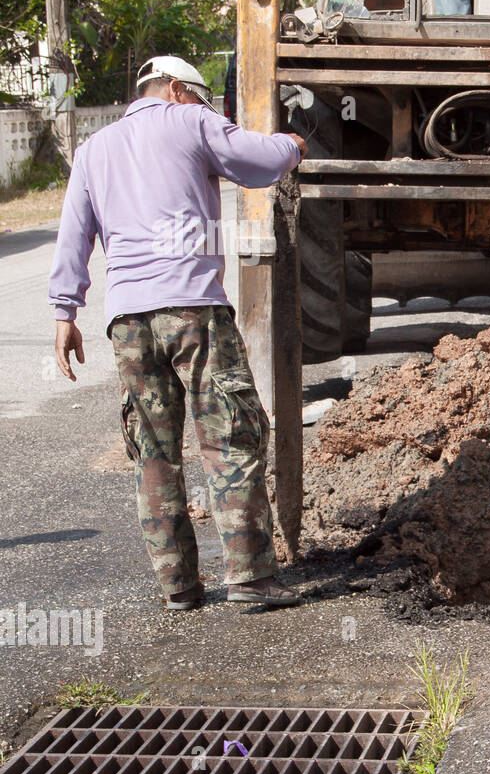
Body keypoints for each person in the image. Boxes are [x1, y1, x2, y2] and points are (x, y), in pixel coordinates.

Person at [48, 55, 308, 612]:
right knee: (230, 437)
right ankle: (249, 575)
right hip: (195, 312)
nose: (203, 109)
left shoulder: (94, 150)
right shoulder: (187, 119)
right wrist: (292, 144)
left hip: (128, 323)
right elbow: (257, 160)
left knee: (153, 452)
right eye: (199, 98)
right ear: (174, 89)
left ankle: (179, 587)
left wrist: (65, 311)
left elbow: (74, 235)